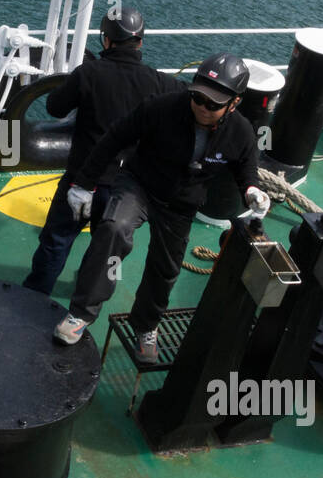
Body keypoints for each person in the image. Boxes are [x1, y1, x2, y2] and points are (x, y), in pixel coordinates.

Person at [52, 52, 272, 363]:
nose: (202, 108)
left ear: (234, 104)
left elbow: (246, 167)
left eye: (213, 104)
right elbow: (114, 137)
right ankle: (81, 313)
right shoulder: (162, 107)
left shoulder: (241, 133)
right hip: (139, 185)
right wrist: (84, 184)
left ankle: (146, 325)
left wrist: (252, 191)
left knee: (165, 268)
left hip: (181, 204)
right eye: (198, 98)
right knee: (114, 229)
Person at [22, 7, 178, 296]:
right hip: (123, 189)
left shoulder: (89, 73)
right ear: (140, 42)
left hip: (81, 181)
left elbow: (55, 107)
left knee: (57, 239)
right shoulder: (160, 83)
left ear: (106, 41)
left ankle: (34, 295)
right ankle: (89, 297)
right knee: (108, 249)